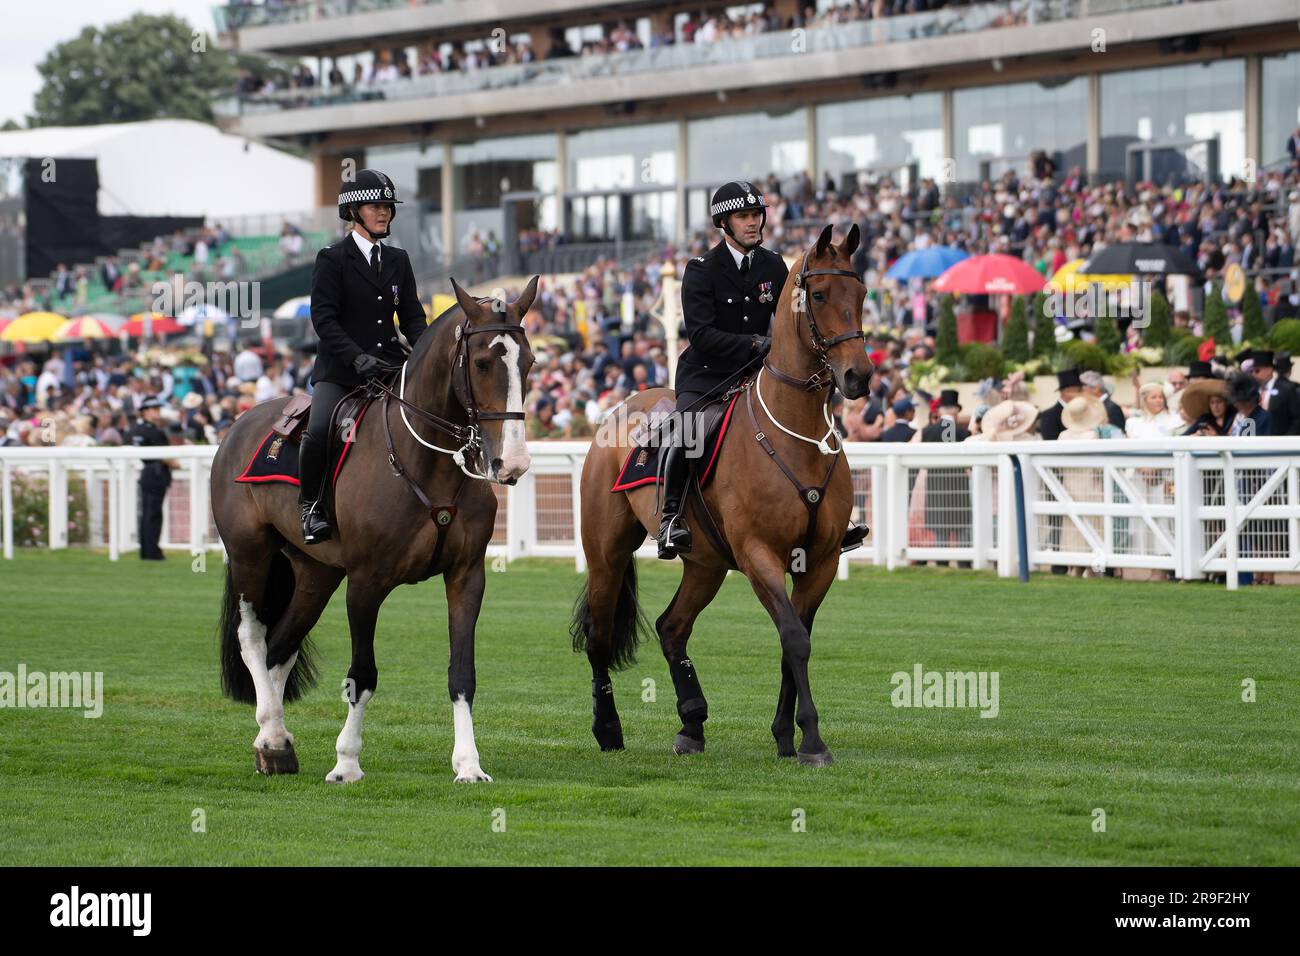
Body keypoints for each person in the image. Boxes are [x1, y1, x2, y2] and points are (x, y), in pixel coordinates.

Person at [657, 179, 785, 559]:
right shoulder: (700, 270)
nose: (753, 223)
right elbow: (700, 334)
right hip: (707, 375)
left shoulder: (774, 265)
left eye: (756, 215)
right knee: (690, 430)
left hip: (758, 375)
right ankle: (670, 519)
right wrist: (756, 344)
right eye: (743, 216)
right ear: (724, 224)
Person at [301, 168, 428, 544]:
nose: (384, 212)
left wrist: (425, 353)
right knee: (320, 429)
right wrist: (356, 358)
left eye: (388, 205)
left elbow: (412, 317)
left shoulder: (398, 260)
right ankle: (311, 508)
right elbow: (324, 318)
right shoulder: (331, 259)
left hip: (389, 365)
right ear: (354, 212)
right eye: (376, 205)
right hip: (341, 371)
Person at [126, 396, 176, 560]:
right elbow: (164, 455)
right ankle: (153, 551)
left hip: (147, 473)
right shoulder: (153, 430)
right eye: (154, 409)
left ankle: (147, 551)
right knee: (153, 514)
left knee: (148, 514)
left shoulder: (135, 429)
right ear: (145, 412)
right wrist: (176, 463)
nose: (157, 412)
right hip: (156, 473)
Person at [1249, 350, 1300, 436]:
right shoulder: (1252, 391)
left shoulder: (1286, 389)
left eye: (1257, 371)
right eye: (1252, 371)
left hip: (1280, 442)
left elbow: (1297, 418)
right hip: (1257, 442)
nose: (1253, 374)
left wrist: (1287, 440)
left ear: (1269, 370)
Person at [1037, 368, 1082, 441]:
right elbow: (1051, 444)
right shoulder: (1049, 416)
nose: (1081, 394)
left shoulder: (1081, 412)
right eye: (1079, 391)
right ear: (1066, 392)